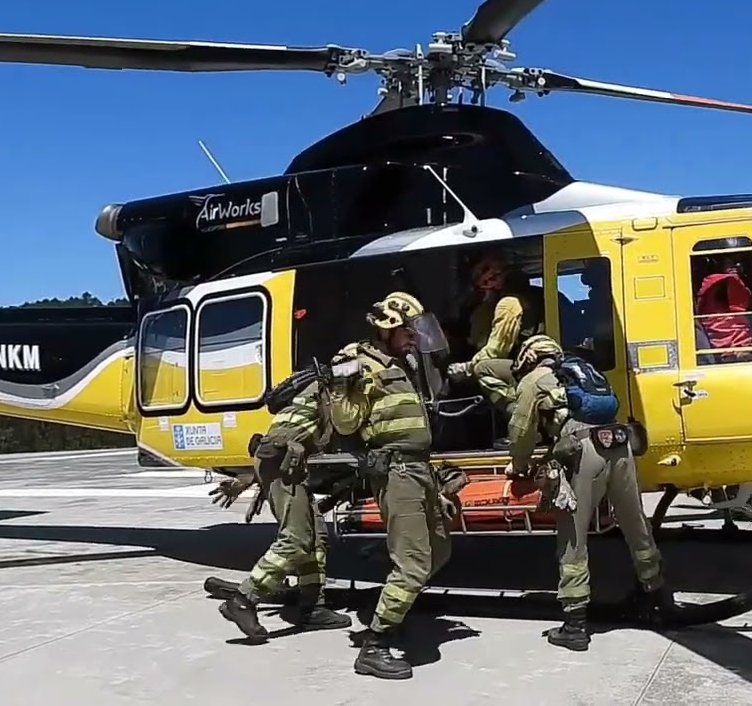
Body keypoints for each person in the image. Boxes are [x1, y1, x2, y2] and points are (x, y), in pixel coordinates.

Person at [504, 334, 674, 651]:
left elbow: (520, 432)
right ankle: (659, 596)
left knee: (573, 538)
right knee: (637, 526)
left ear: (528, 357)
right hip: (619, 444)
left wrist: (519, 465)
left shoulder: (533, 380)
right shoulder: (582, 370)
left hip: (582, 451)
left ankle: (575, 625)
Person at [328, 291, 459, 681]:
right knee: (415, 563)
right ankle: (376, 644)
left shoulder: (399, 365)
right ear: (387, 328)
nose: (414, 338)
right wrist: (341, 385)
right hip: (397, 473)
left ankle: (392, 603)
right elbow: (346, 423)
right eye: (408, 330)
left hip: (419, 471)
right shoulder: (361, 363)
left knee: (439, 549)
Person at [209, 373, 353, 641]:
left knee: (315, 538)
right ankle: (243, 600)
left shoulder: (318, 391)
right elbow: (285, 443)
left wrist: (250, 479)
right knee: (296, 540)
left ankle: (312, 608)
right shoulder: (335, 392)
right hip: (283, 462)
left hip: (285, 462)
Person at [446, 250, 545, 411]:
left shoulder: (508, 304)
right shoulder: (537, 294)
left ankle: (519, 411)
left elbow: (496, 352)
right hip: (544, 365)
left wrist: (465, 369)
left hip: (533, 368)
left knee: (483, 369)